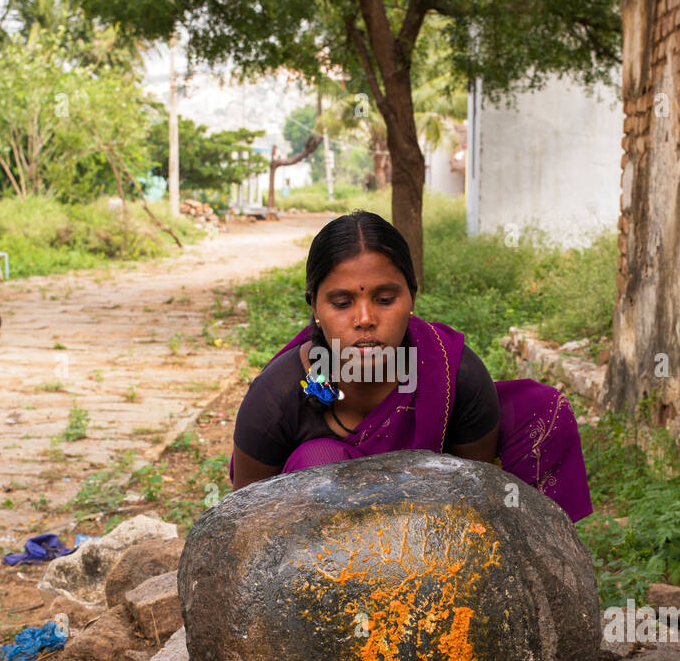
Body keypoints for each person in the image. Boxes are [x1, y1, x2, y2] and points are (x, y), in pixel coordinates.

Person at [230, 211, 593, 522]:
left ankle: (535, 574)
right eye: (341, 303)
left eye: (385, 299)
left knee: (540, 411)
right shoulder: (275, 399)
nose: (365, 319)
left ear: (411, 299)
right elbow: (248, 518)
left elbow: (474, 494)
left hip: (433, 520)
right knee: (319, 461)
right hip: (319, 561)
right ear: (315, 309)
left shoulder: (454, 373)